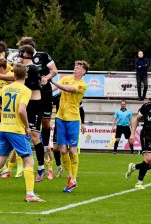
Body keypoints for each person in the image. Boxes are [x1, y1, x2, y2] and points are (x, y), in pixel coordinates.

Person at [0, 63, 44, 202]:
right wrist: (26, 126)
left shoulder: (5, 89)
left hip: (4, 129)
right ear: (26, 75)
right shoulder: (25, 90)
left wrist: (5, 118)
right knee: (29, 162)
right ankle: (30, 194)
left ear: (14, 75)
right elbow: (21, 110)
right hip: (16, 130)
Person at [16, 37, 58, 181]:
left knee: (43, 126)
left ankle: (45, 153)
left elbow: (54, 70)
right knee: (24, 132)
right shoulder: (23, 64)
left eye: (21, 50)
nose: (20, 54)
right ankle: (16, 165)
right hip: (27, 99)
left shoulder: (42, 57)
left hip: (43, 96)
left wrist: (46, 77)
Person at [51, 60, 89, 193]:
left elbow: (67, 89)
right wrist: (44, 85)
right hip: (60, 117)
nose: (76, 69)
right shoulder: (65, 78)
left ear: (84, 71)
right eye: (75, 66)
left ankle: (73, 179)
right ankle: (70, 177)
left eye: (79, 67)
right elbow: (54, 89)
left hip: (73, 119)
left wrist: (52, 81)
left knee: (72, 150)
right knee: (62, 150)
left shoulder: (82, 85)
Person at [126, 85, 151, 189]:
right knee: (148, 159)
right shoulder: (147, 106)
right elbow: (136, 119)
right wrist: (132, 134)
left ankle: (133, 166)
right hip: (146, 135)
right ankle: (139, 183)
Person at [18, 45, 46, 182]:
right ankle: (18, 165)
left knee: (35, 136)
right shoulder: (27, 68)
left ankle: (41, 168)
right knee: (21, 134)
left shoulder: (31, 68)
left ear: (25, 55)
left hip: (34, 106)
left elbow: (15, 77)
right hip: (26, 104)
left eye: (20, 54)